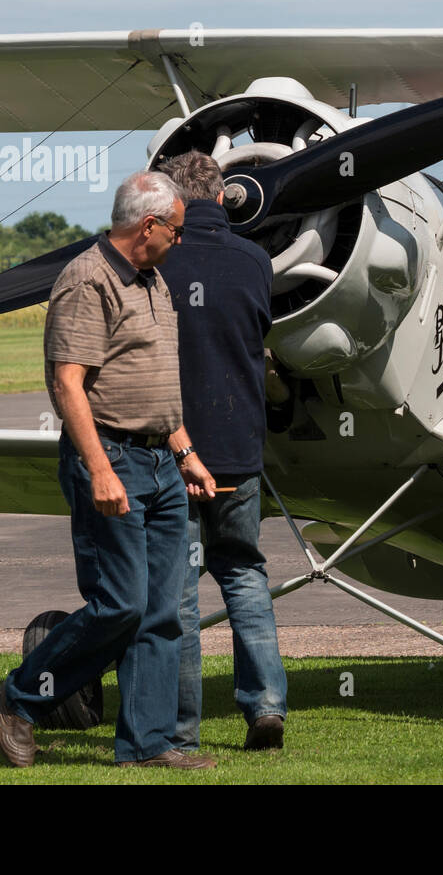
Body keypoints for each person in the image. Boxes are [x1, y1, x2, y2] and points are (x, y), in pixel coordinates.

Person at [0, 170, 219, 769]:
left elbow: (154, 382)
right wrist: (99, 469)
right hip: (111, 457)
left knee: (161, 610)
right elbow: (68, 384)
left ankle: (147, 746)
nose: (180, 240)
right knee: (120, 604)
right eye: (176, 229)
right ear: (148, 226)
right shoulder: (86, 280)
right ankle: (21, 699)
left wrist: (185, 452)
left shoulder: (154, 281)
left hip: (162, 464)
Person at [156, 150, 289, 750]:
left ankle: (182, 728)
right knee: (243, 573)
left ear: (176, 200)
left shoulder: (157, 261)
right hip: (240, 449)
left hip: (173, 452)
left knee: (179, 594)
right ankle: (265, 706)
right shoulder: (257, 260)